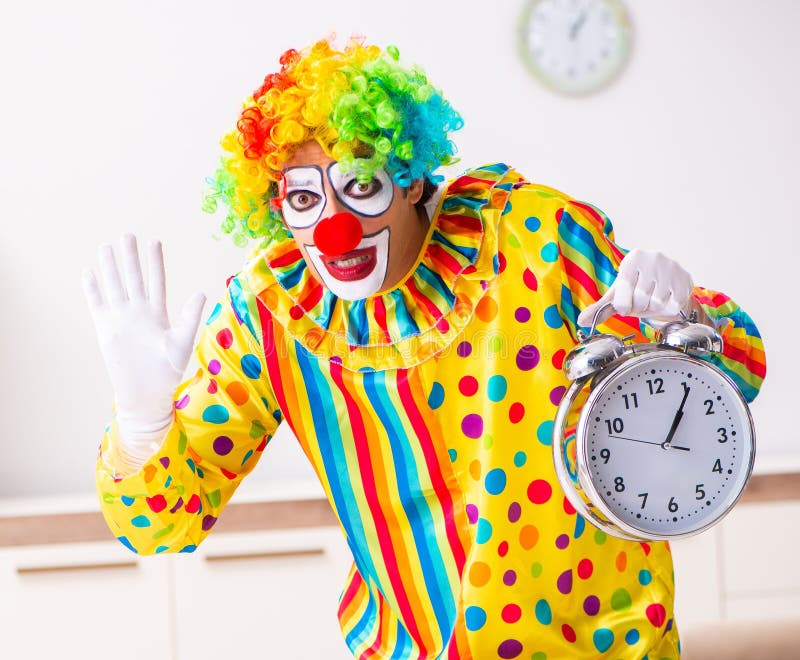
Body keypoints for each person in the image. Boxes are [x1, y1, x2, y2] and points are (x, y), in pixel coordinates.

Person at [82, 37, 765, 659]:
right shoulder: (270, 312)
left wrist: (685, 315)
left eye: (358, 186)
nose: (333, 231)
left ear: (409, 177)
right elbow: (160, 527)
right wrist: (143, 417)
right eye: (302, 200)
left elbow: (731, 382)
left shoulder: (536, 239)